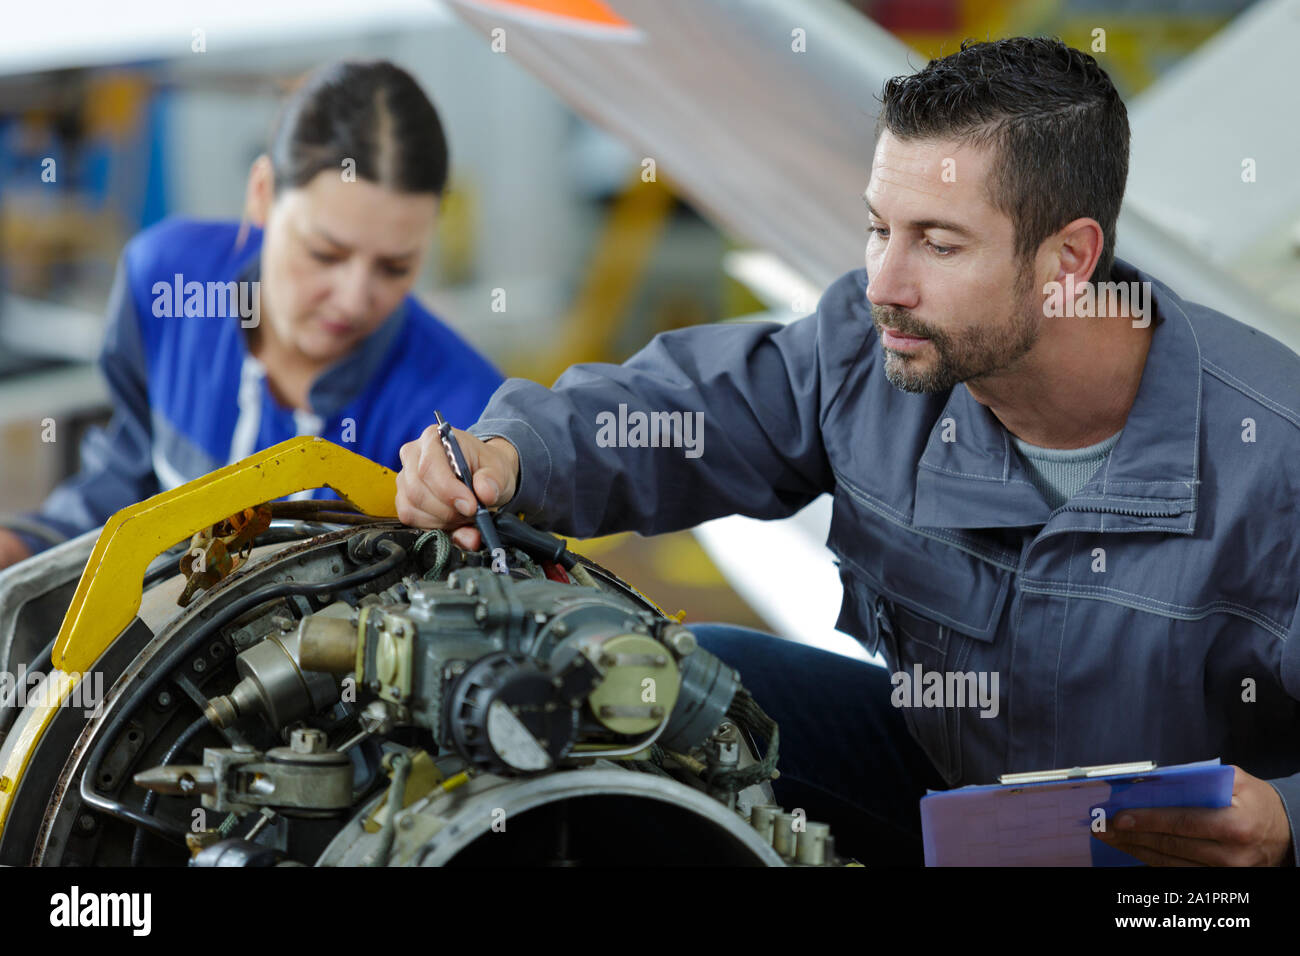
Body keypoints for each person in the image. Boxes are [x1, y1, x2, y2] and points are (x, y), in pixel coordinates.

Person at [393, 38, 1299, 866]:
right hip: (957, 799)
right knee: (666, 699)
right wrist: (517, 453)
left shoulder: (1274, 461)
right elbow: (689, 410)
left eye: (938, 243)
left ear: (1068, 261)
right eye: (878, 228)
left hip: (1170, 876)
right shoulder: (870, 353)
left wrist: (1287, 822)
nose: (884, 284)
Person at [0, 60, 502, 570]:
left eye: (395, 267)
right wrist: (24, 550)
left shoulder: (463, 415)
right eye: (324, 254)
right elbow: (126, 486)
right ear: (262, 194)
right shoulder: (165, 285)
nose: (352, 300)